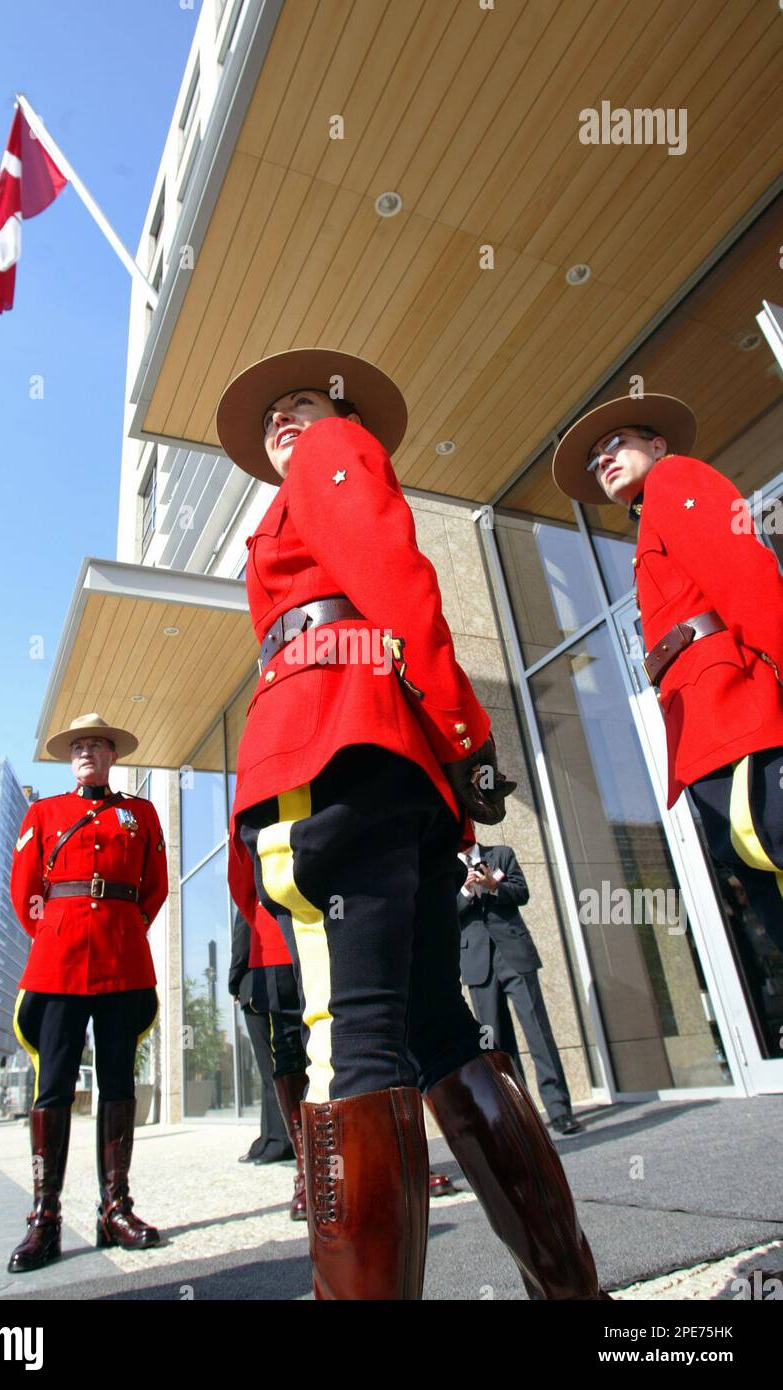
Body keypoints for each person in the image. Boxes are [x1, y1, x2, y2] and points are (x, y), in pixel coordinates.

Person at [217, 348, 609, 1300]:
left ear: (337, 414)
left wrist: (465, 735)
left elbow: (399, 584)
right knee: (437, 1032)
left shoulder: (327, 453)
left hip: (332, 752)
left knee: (347, 1044)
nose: (284, 419)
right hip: (384, 769)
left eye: (300, 402)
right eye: (273, 413)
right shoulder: (297, 490)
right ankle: (573, 1297)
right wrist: (451, 752)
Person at [552, 394, 783, 945]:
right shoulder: (650, 516)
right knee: (765, 884)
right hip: (709, 732)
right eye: (594, 459)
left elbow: (746, 578)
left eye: (616, 443)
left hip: (740, 718)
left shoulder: (676, 478)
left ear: (658, 445)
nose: (603, 458)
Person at [7, 712, 168, 1273]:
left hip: (122, 958)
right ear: (69, 757)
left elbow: (155, 886)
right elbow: (25, 891)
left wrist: (122, 926)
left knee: (119, 1080)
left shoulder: (141, 813)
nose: (87, 753)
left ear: (112, 756)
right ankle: (44, 1218)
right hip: (59, 961)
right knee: (52, 1085)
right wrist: (55, 933)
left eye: (97, 745)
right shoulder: (44, 813)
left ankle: (114, 1207)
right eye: (79, 746)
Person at [458, 844, 581, 1137]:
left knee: (537, 1030)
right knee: (496, 1044)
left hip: (514, 954)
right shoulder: (446, 868)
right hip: (478, 963)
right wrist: (465, 892)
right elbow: (444, 912)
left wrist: (492, 886)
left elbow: (522, 893)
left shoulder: (501, 855)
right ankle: (519, 1117)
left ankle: (559, 1110)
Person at [228, 903, 295, 1168]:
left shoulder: (253, 897)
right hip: (266, 979)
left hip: (258, 983)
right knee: (274, 1070)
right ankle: (270, 1137)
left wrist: (233, 981)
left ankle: (280, 1139)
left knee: (272, 1070)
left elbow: (241, 941)